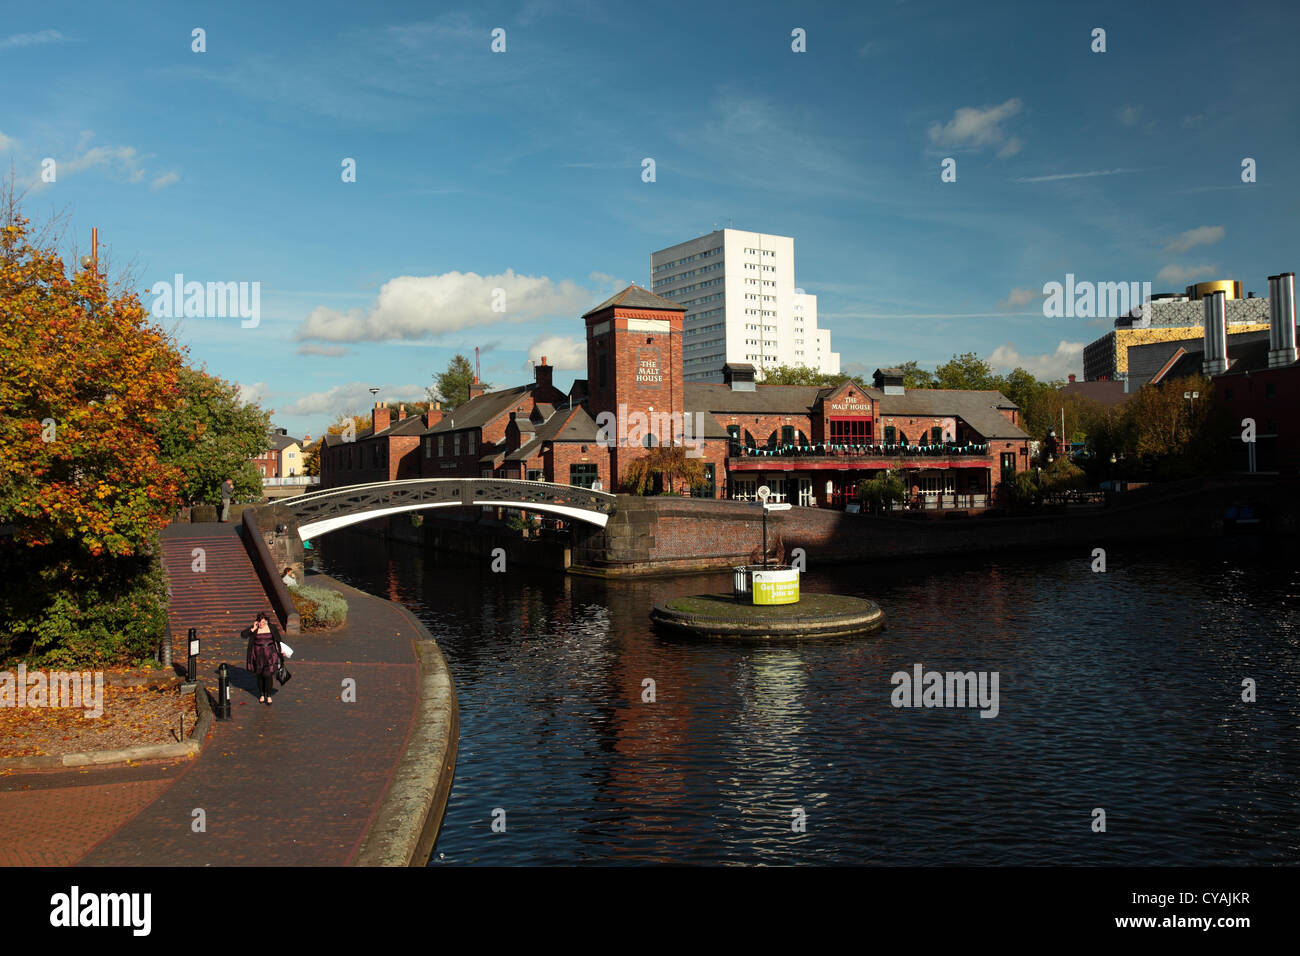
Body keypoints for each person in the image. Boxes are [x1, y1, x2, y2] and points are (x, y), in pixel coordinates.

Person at [245, 613, 281, 705]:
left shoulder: (272, 627)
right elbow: (243, 635)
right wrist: (252, 629)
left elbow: (278, 640)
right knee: (260, 675)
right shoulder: (255, 628)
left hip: (270, 655)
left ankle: (268, 695)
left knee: (268, 676)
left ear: (266, 621)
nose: (261, 624)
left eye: (263, 622)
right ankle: (261, 694)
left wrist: (281, 651)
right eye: (260, 622)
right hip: (258, 655)